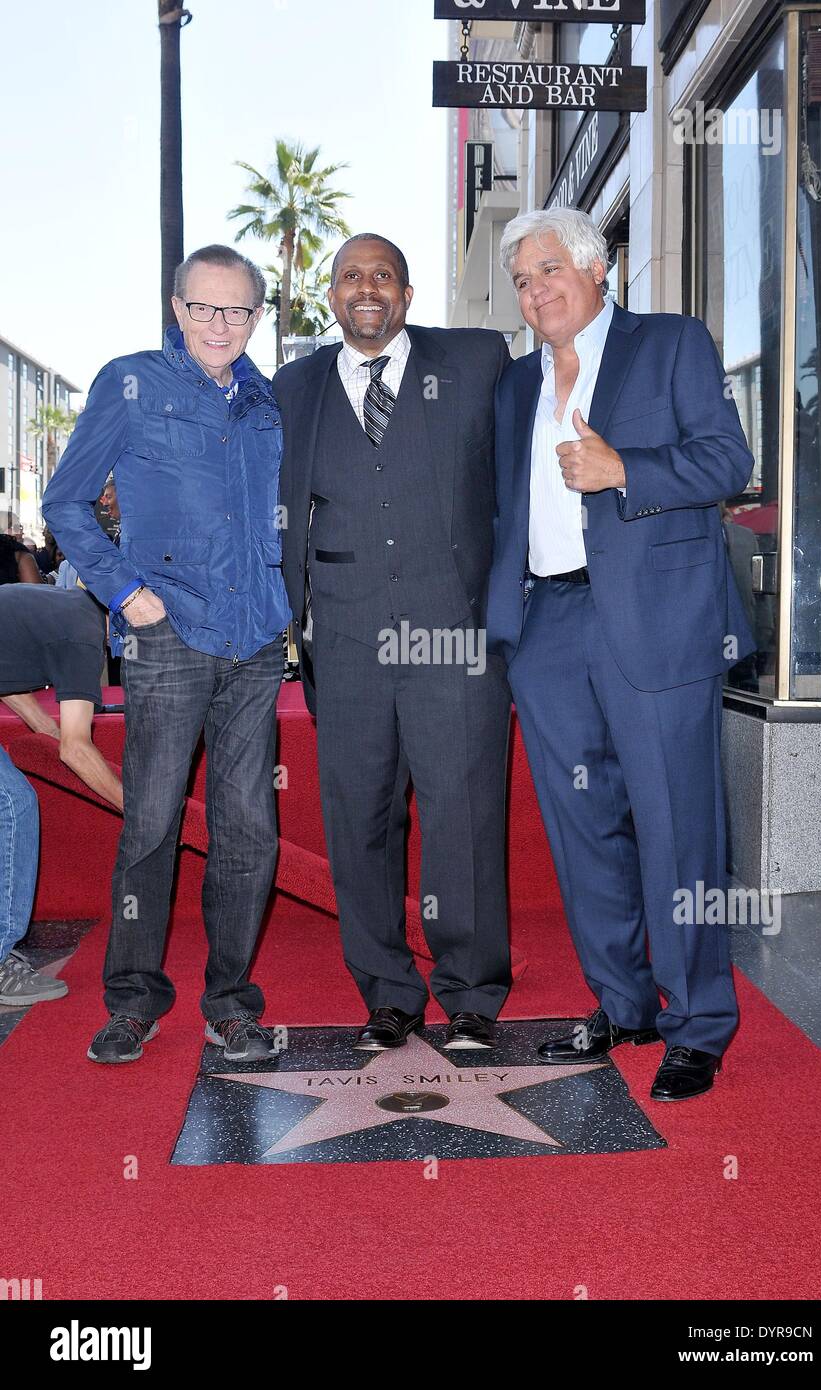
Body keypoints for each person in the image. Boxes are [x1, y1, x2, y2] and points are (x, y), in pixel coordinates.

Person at [487, 208, 755, 1101]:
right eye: (523, 279)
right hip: (549, 624)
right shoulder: (514, 386)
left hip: (658, 619)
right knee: (583, 831)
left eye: (551, 268)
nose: (536, 290)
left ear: (599, 270)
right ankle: (623, 1002)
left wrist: (625, 470)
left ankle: (698, 1022)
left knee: (678, 822)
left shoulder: (669, 343)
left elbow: (726, 461)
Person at [42, 244, 290, 1065]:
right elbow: (64, 500)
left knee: (249, 829)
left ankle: (231, 1003)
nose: (221, 324)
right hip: (169, 635)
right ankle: (132, 997)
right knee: (148, 822)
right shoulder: (130, 380)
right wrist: (123, 591)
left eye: (239, 310)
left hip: (256, 639)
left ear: (258, 318)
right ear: (177, 308)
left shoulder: (266, 399)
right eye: (205, 307)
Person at [273, 233, 513, 1052]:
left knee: (463, 814)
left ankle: (472, 993)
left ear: (406, 295)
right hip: (343, 637)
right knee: (359, 817)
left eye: (382, 276)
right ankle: (385, 990)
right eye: (350, 277)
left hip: (457, 634)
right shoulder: (293, 387)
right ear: (330, 297)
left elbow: (527, 465)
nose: (365, 289)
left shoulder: (479, 360)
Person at [0, 585, 123, 1006]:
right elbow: (75, 748)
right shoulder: (83, 634)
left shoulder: (66, 605)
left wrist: (42, 728)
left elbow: (8, 670)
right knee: (12, 804)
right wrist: (137, 808)